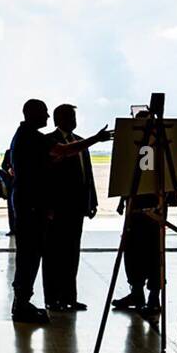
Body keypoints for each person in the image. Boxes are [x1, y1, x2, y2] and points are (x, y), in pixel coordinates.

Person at [42, 104, 107, 312]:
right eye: (70, 116)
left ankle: (70, 297)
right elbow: (47, 179)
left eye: (74, 116)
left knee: (72, 253)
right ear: (58, 119)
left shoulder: (79, 141)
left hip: (77, 208)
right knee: (54, 255)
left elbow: (86, 175)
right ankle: (53, 298)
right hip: (58, 209)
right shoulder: (49, 141)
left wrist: (92, 201)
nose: (74, 120)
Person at [112, 111, 163, 317]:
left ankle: (152, 295)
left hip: (150, 207)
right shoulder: (136, 147)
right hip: (135, 207)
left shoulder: (154, 148)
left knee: (152, 253)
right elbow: (130, 175)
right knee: (132, 252)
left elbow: (148, 177)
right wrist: (123, 199)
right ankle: (137, 292)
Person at [8, 99, 52, 323]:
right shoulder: (32, 137)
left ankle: (22, 301)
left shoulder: (22, 136)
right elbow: (61, 151)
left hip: (27, 203)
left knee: (28, 254)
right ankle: (22, 302)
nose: (48, 117)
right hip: (32, 206)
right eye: (44, 112)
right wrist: (94, 140)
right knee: (30, 255)